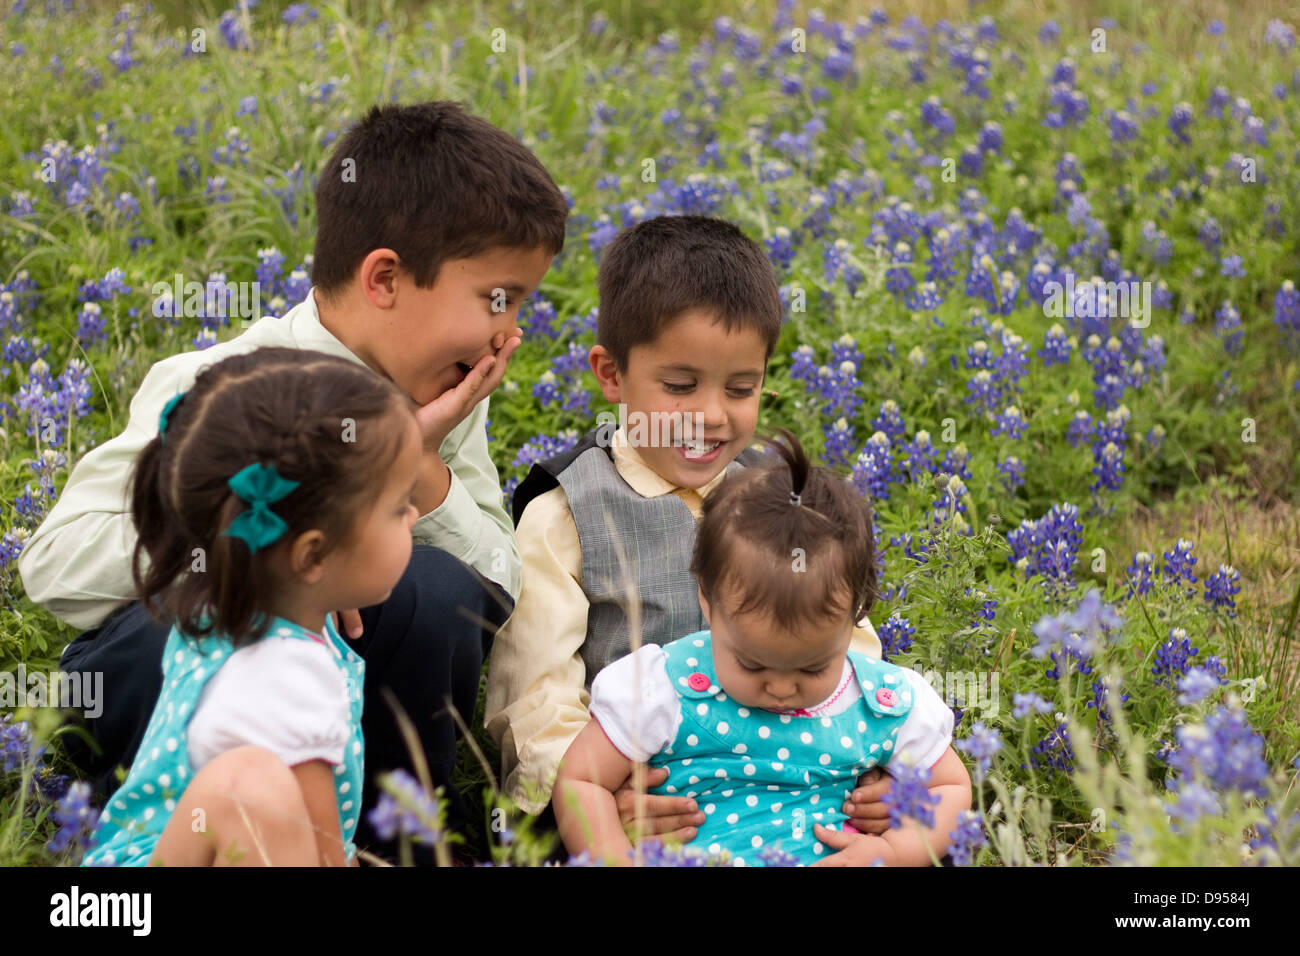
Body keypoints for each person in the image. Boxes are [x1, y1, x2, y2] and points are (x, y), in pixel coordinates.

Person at [18, 101, 567, 856]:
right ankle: (141, 820)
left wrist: (419, 466)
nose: (511, 334)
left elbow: (496, 587)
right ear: (385, 279)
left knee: (430, 589)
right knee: (216, 614)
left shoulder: (448, 398)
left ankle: (393, 837)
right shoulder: (217, 384)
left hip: (322, 701)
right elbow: (54, 564)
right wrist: (257, 549)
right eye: (498, 300)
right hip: (164, 669)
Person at [486, 216, 886, 844]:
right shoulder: (568, 512)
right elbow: (534, 698)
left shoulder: (788, 500)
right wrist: (591, 795)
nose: (710, 415)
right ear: (612, 375)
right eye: (679, 385)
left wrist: (877, 768)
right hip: (640, 811)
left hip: (804, 788)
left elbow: (854, 653)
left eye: (741, 387)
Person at [554, 430, 971, 866]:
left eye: (812, 669)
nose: (781, 688)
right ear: (707, 599)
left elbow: (950, 788)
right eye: (752, 665)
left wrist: (892, 851)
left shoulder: (882, 702)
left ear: (855, 619)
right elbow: (582, 781)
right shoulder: (664, 686)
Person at [82, 348, 421, 866]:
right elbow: (324, 857)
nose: (416, 514)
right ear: (312, 555)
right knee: (254, 788)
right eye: (399, 507)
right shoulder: (286, 673)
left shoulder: (238, 607)